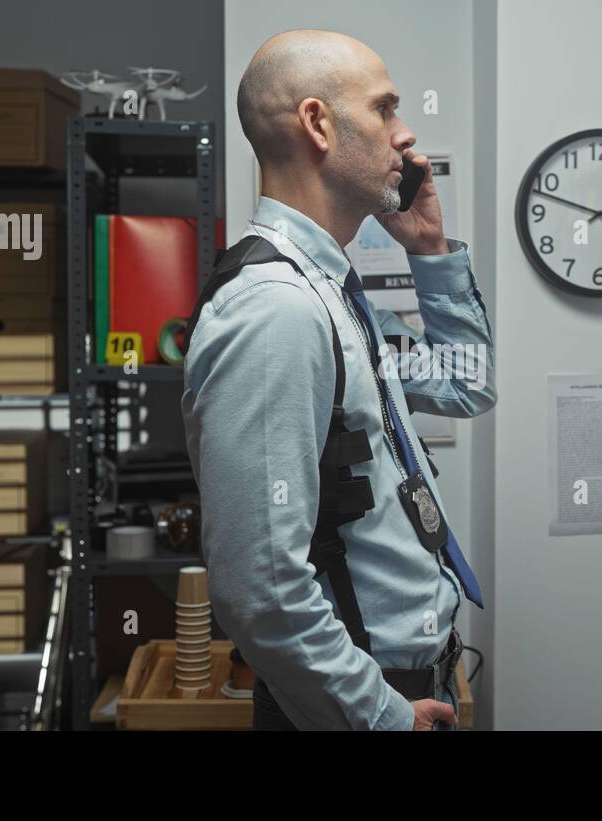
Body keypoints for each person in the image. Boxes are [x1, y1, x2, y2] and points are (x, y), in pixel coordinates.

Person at [182, 30, 496, 730]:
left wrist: (433, 254)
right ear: (318, 123)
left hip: (402, 683)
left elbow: (465, 383)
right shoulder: (276, 310)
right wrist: (380, 714)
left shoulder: (326, 292)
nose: (405, 133)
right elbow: (259, 588)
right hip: (361, 699)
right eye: (385, 109)